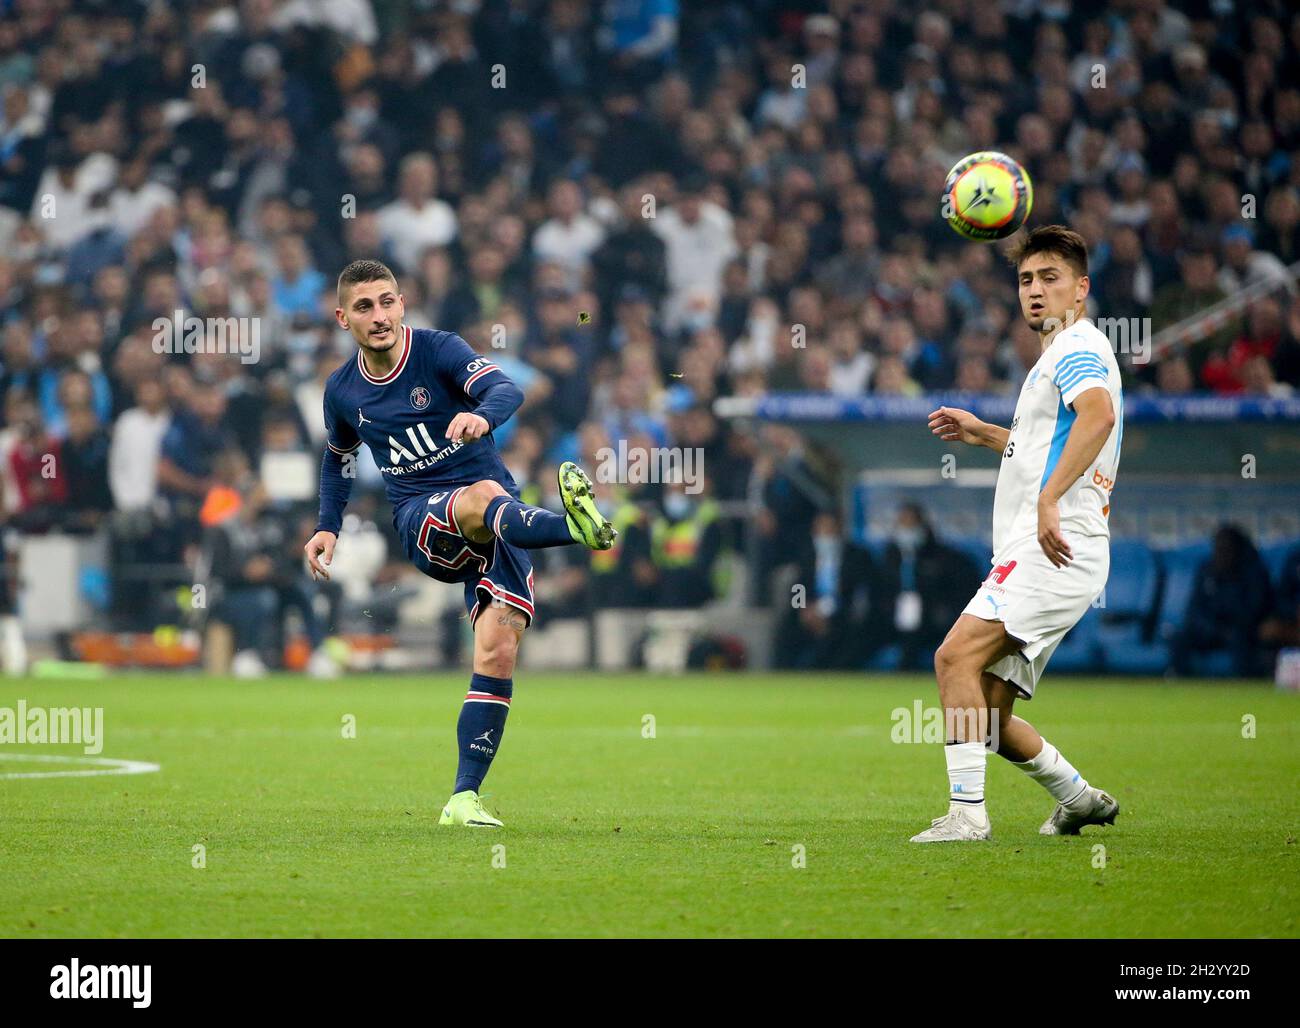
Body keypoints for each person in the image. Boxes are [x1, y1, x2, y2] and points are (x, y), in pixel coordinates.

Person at [302, 260, 617, 828]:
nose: (380, 316)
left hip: (501, 519)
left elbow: (505, 389)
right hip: (423, 519)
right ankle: (573, 529)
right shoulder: (343, 391)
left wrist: (479, 416)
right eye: (366, 307)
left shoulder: (438, 349)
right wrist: (329, 524)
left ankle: (463, 799)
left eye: (389, 302)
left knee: (497, 651)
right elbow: (339, 456)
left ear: (403, 304)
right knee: (481, 493)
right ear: (342, 317)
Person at [916, 225, 1122, 843]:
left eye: (1051, 278)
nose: (1035, 290)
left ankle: (966, 815)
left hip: (1054, 546)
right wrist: (984, 433)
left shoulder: (1078, 348)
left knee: (953, 657)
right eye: (1027, 280)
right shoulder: (1054, 358)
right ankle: (1079, 798)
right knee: (990, 713)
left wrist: (1050, 500)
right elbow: (1041, 448)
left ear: (1080, 289)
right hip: (1053, 549)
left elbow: (1099, 415)